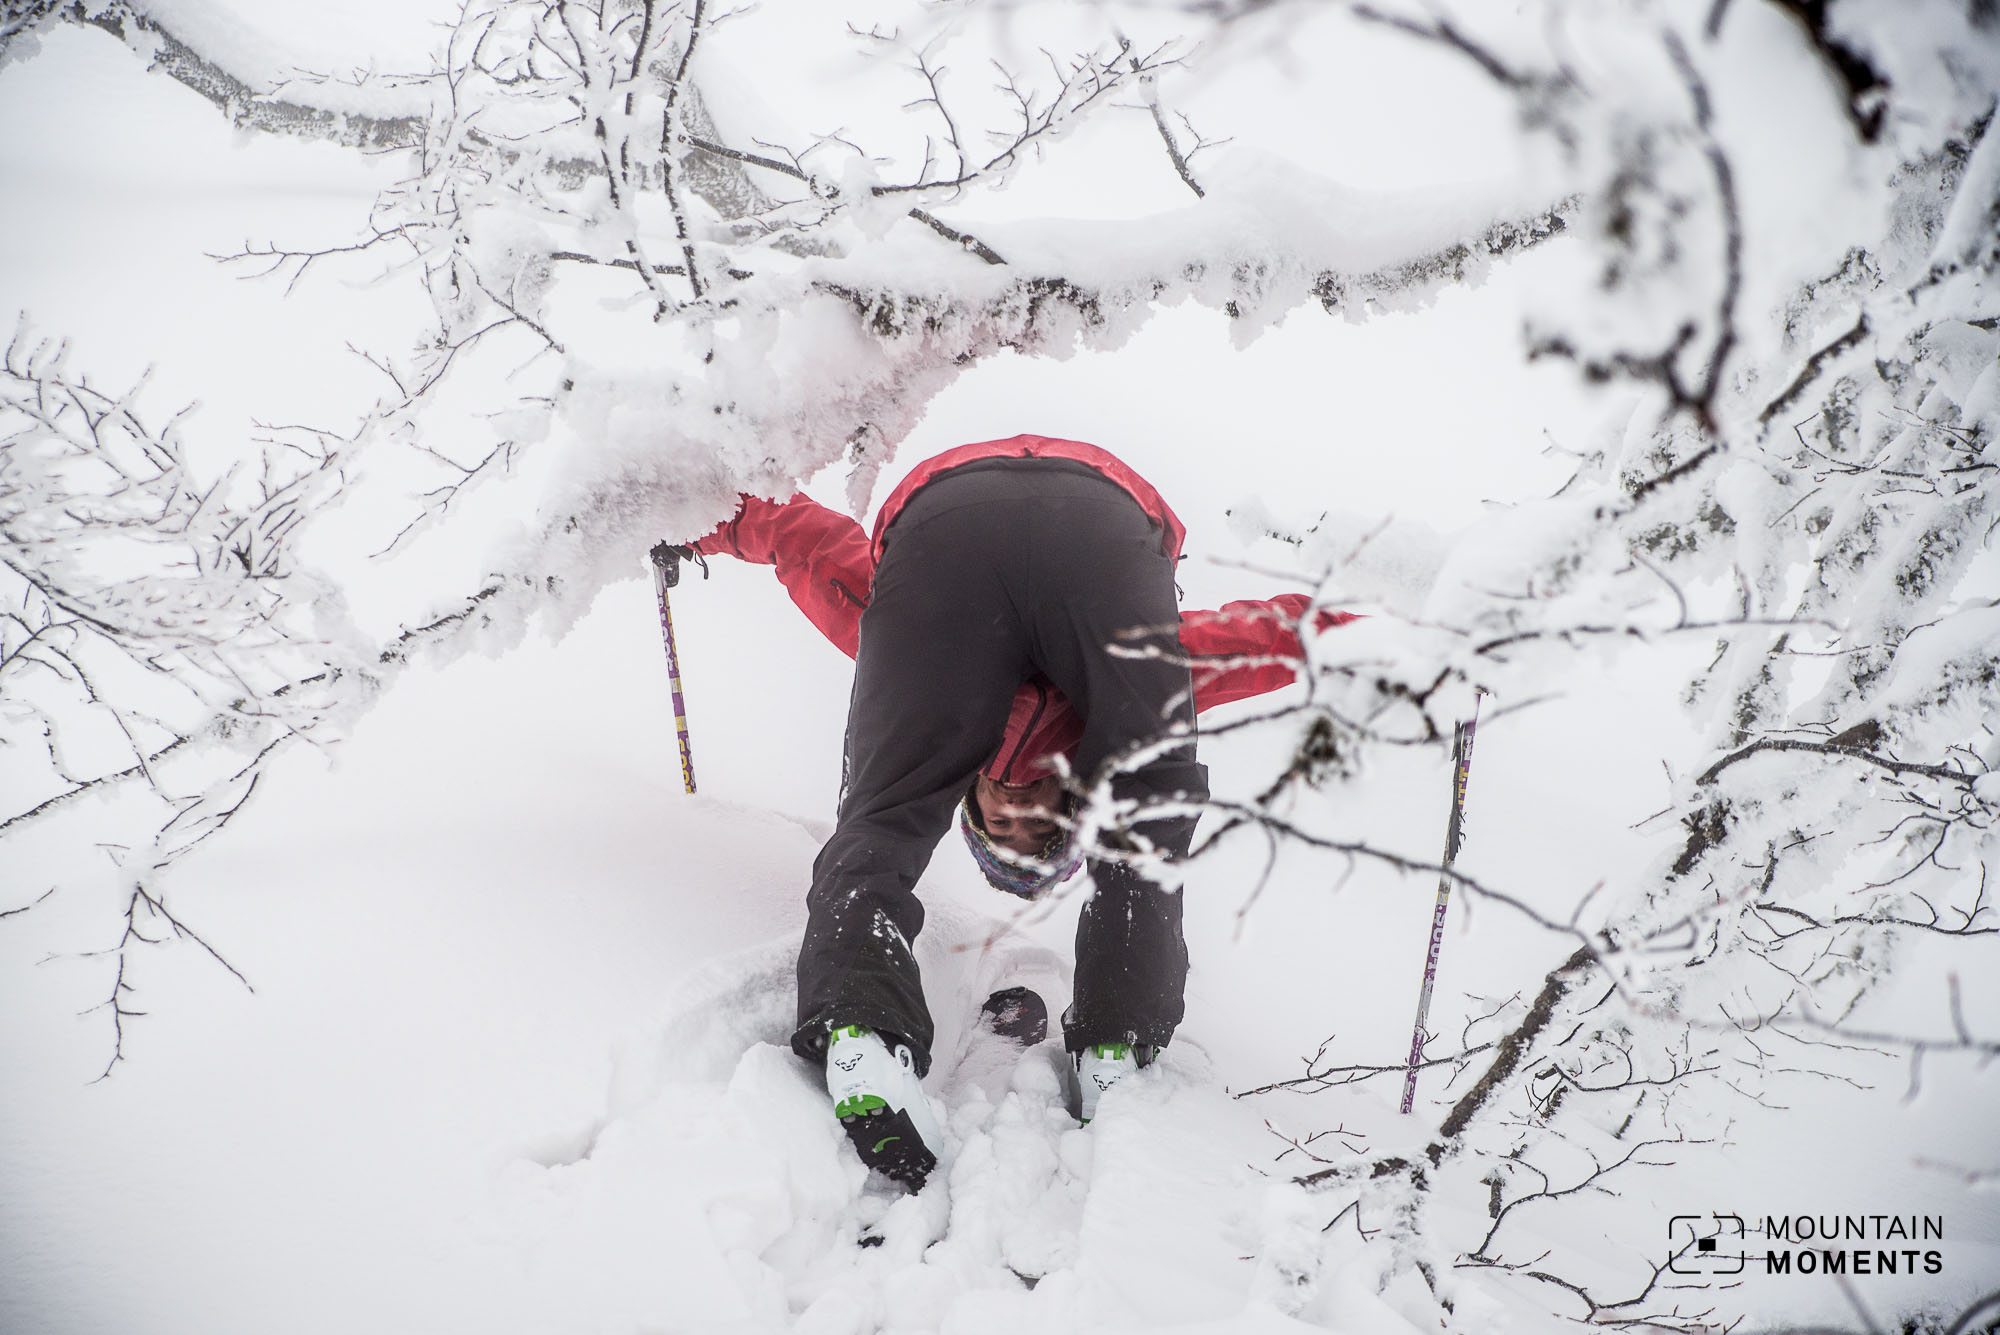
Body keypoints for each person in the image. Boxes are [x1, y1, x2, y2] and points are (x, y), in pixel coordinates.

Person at [682, 434, 1350, 1187]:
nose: (1019, 810)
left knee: (882, 816)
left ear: (971, 801)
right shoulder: (1105, 707)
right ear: (1072, 801)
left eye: (1002, 826)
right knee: (1144, 814)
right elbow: (1257, 641)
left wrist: (688, 513)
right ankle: (1115, 1044)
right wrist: (1380, 627)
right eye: (1042, 827)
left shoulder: (926, 687)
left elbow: (803, 539)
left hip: (948, 531)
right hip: (1103, 525)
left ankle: (863, 1030)